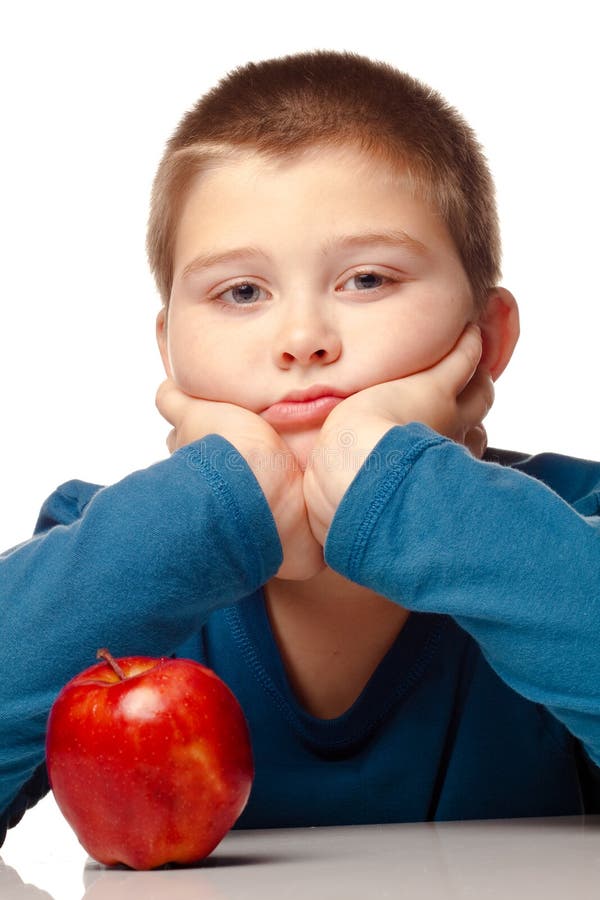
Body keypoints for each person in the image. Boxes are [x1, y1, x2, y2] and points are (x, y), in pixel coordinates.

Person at [2, 50, 600, 846]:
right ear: (170, 348)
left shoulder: (571, 533)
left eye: (368, 280)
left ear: (485, 338)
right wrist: (214, 511)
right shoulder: (122, 551)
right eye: (241, 292)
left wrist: (402, 494)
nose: (303, 339)